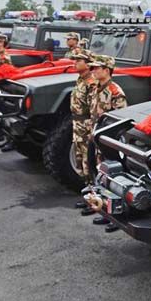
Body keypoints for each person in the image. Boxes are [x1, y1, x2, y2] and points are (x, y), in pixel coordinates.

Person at [87, 55, 128, 232]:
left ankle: (118, 215)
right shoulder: (96, 88)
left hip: (109, 142)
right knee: (101, 177)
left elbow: (121, 121)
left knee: (114, 178)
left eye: (97, 68)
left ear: (107, 70)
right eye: (93, 68)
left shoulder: (115, 91)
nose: (94, 71)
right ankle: (105, 210)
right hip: (97, 139)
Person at [67, 50, 97, 207]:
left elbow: (93, 110)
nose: (75, 62)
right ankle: (88, 192)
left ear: (88, 64)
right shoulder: (80, 80)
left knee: (89, 161)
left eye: (79, 60)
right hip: (77, 124)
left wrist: (91, 129)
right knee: (80, 160)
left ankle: (94, 198)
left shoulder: (91, 84)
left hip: (85, 126)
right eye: (75, 60)